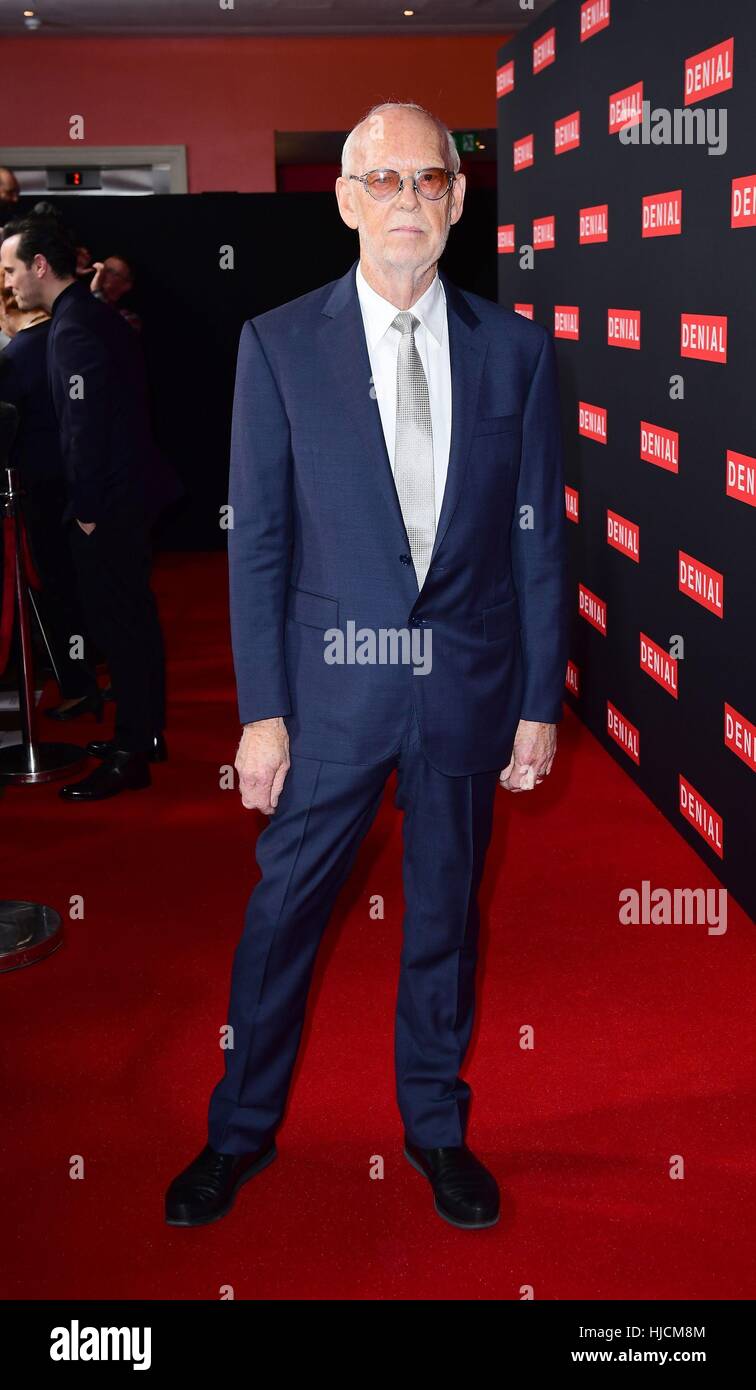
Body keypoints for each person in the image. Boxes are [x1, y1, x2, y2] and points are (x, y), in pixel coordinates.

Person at [165, 101, 568, 1230]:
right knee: (281, 917)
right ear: (344, 201)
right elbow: (260, 546)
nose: (406, 201)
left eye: (428, 180)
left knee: (445, 917)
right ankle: (239, 1130)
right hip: (330, 696)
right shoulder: (278, 344)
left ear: (456, 198)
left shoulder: (519, 351)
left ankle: (436, 1125)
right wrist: (261, 714)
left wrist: (540, 699)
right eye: (381, 181)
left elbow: (540, 537)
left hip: (471, 689)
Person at [0, 215, 181, 799]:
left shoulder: (75, 325)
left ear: (40, 266)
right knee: (134, 618)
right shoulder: (87, 314)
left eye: (10, 269)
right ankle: (145, 732)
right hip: (127, 493)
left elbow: (85, 426)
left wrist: (85, 506)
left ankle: (132, 751)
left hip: (108, 501)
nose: (8, 283)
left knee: (118, 624)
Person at [0, 269, 101, 711]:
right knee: (77, 588)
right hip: (75, 485)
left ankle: (77, 684)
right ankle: (87, 675)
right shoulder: (60, 338)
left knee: (56, 592)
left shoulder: (17, 356)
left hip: (38, 493)